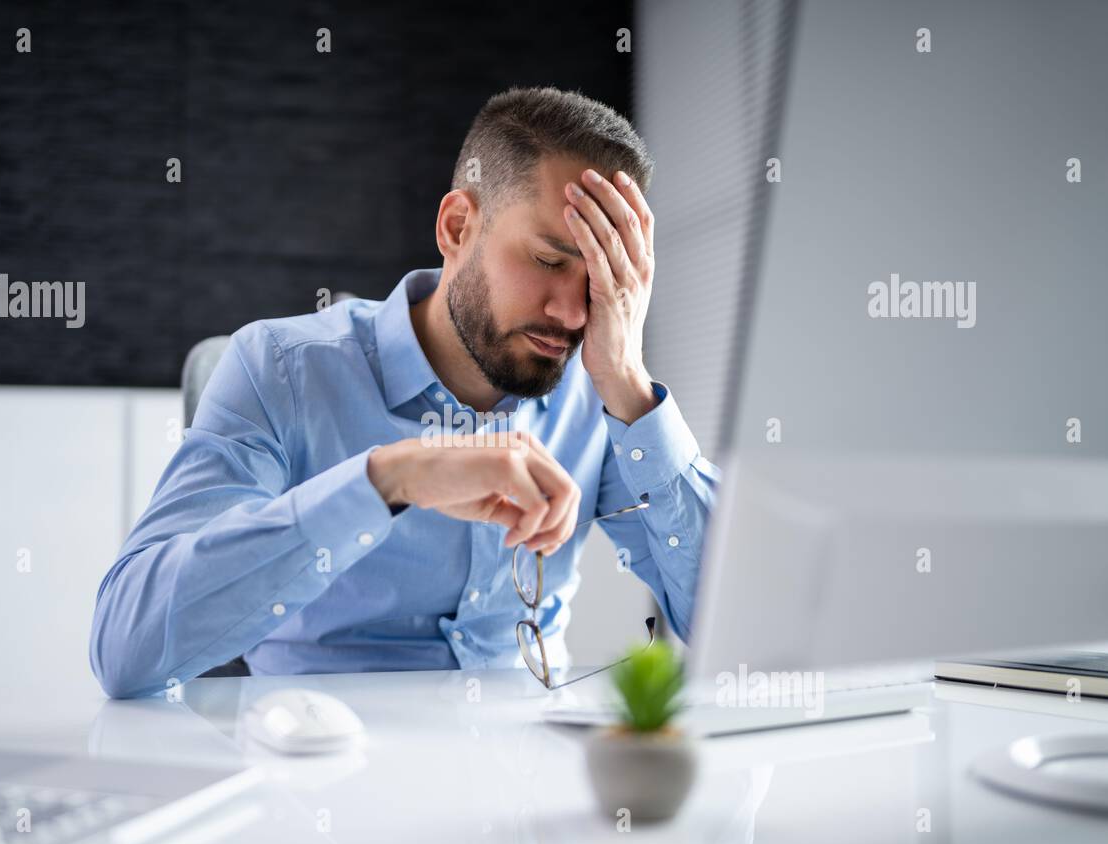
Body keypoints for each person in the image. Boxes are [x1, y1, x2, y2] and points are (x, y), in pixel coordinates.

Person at [89, 86, 719, 698]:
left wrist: (630, 385)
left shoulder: (599, 398)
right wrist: (387, 480)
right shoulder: (279, 368)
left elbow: (730, 628)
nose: (573, 313)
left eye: (603, 279)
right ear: (456, 226)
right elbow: (125, 651)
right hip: (327, 773)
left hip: (532, 772)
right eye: (550, 261)